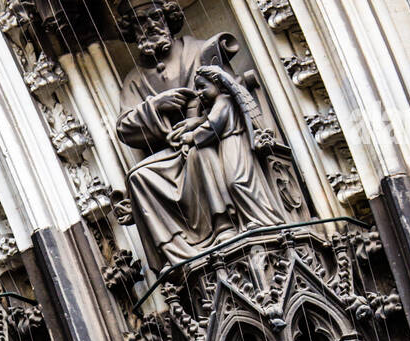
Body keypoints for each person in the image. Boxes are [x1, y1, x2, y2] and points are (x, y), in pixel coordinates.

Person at [116, 2, 285, 268]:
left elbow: (232, 93)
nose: (148, 26)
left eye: (155, 16)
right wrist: (156, 106)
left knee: (199, 151)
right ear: (131, 30)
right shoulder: (134, 79)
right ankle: (176, 255)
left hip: (209, 137)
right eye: (139, 21)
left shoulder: (199, 50)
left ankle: (223, 226)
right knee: (138, 177)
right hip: (173, 151)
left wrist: (198, 122)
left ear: (168, 17)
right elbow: (124, 127)